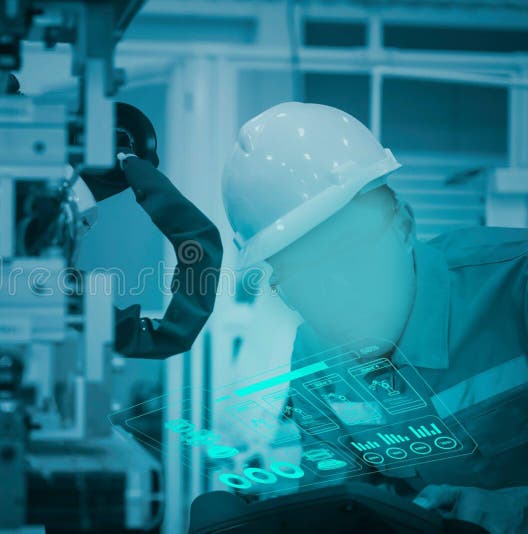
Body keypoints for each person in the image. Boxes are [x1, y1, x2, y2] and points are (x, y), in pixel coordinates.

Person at [221, 102, 528, 534]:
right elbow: (336, 505)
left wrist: (513, 512)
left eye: (349, 254)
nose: (333, 294)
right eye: (302, 276)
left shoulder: (516, 285)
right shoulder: (315, 355)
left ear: (403, 227)